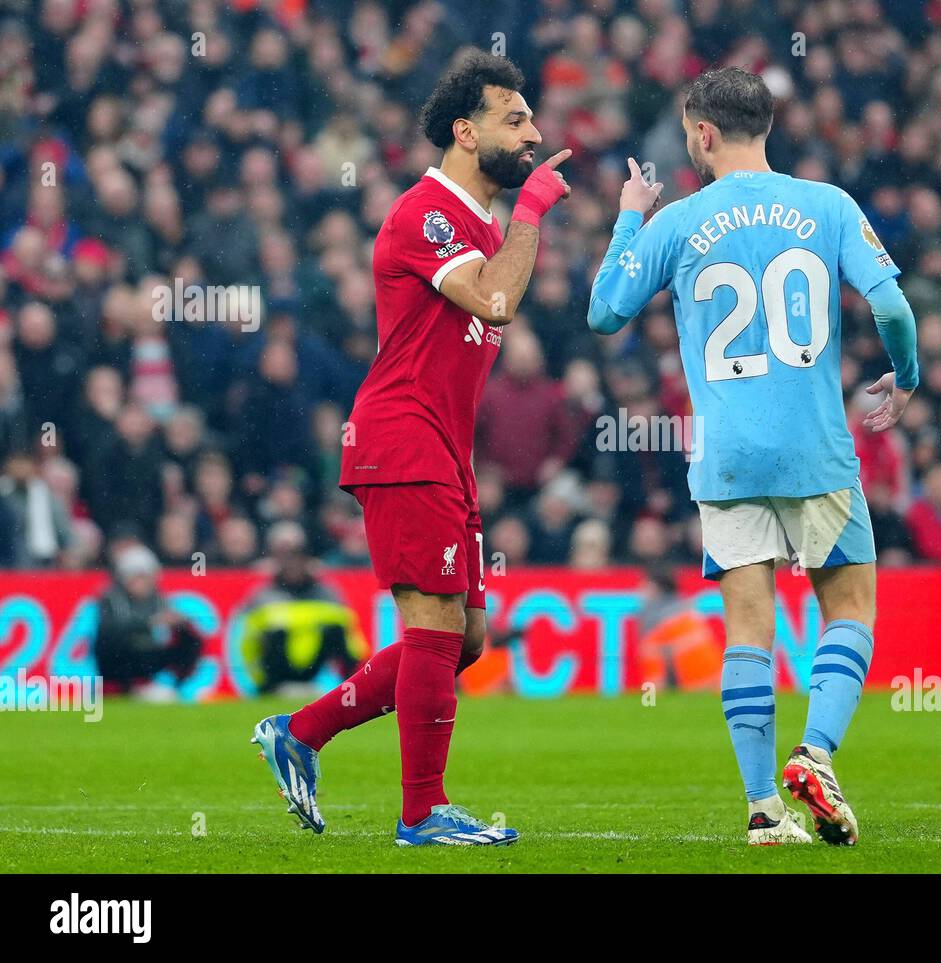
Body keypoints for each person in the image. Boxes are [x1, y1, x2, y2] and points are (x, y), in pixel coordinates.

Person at [588, 68, 918, 845]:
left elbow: (604, 312)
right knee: (850, 608)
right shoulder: (828, 205)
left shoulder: (678, 222)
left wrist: (631, 218)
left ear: (702, 133)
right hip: (815, 451)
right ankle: (818, 752)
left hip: (728, 457)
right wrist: (904, 379)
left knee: (747, 628)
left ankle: (764, 809)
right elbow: (895, 305)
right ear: (764, 124)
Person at [251, 50, 570, 846]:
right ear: (465, 132)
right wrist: (532, 212)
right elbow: (495, 301)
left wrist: (518, 217)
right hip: (402, 435)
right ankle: (422, 812)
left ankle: (301, 732)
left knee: (465, 638)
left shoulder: (481, 224)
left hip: (445, 448)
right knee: (430, 622)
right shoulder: (425, 213)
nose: (533, 132)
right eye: (515, 118)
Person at [236, 521, 366, 695]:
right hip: (276, 670)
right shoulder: (263, 594)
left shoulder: (326, 592)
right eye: (287, 558)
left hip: (314, 665)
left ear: (307, 560)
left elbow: (348, 633)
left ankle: (352, 686)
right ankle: (270, 687)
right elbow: (248, 641)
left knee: (334, 631)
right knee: (276, 634)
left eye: (297, 557)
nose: (293, 565)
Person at [93, 546, 202, 698]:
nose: (142, 582)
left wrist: (180, 624)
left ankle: (171, 685)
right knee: (115, 642)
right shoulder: (111, 599)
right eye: (137, 577)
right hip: (121, 660)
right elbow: (108, 632)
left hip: (147, 655)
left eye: (146, 576)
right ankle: (122, 688)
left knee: (190, 640)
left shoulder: (158, 598)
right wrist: (148, 623)